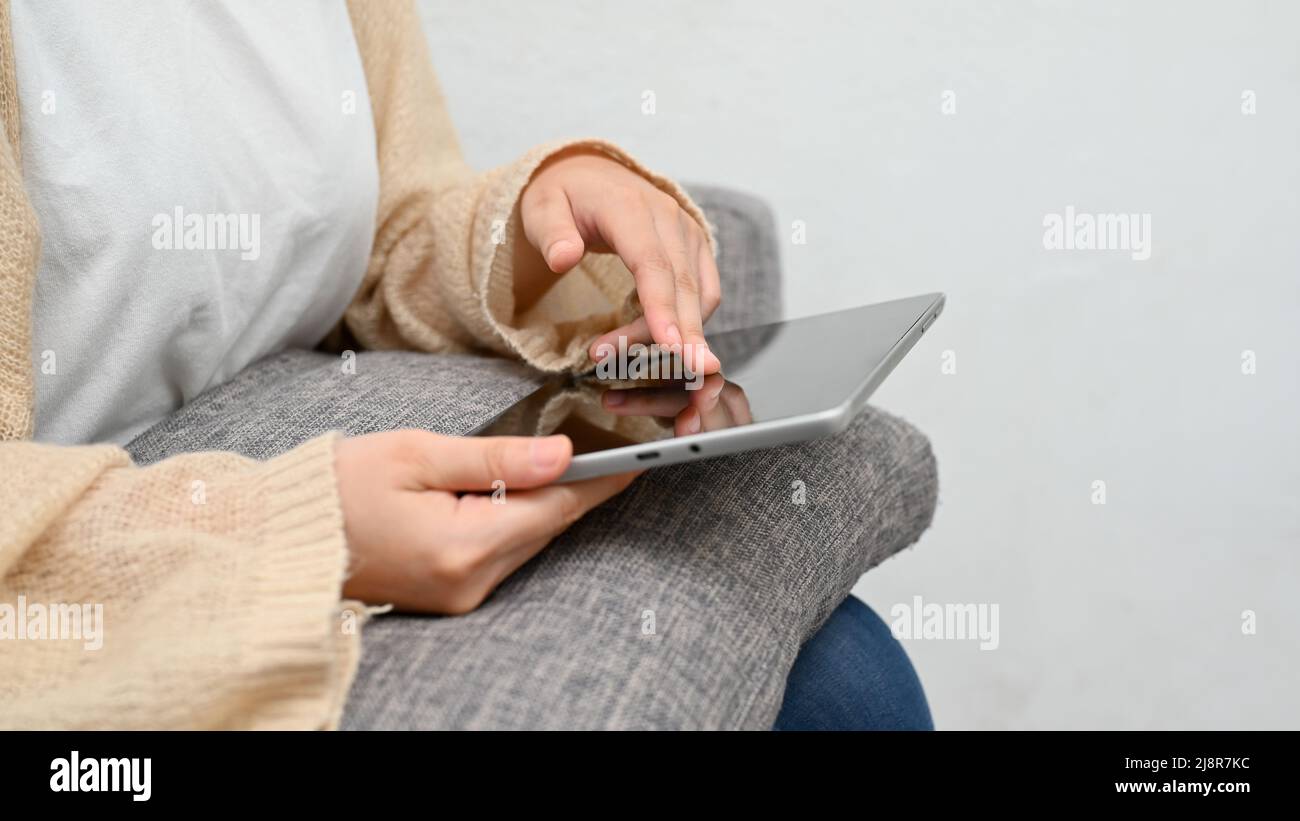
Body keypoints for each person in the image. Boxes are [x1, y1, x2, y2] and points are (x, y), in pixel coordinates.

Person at [0, 0, 929, 729]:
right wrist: (289, 535)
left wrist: (529, 229)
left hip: (293, 449)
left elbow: (387, 226)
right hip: (83, 554)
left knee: (854, 677)